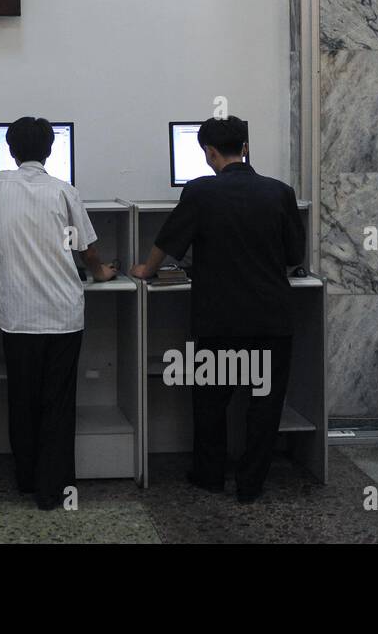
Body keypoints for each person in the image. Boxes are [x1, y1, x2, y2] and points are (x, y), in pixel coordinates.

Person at [131, 115, 305, 503]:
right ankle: (251, 485)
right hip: (270, 320)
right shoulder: (280, 192)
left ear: (209, 153)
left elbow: (169, 242)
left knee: (211, 401)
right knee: (264, 406)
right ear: (245, 148)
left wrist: (145, 270)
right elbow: (295, 257)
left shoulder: (200, 192)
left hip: (218, 320)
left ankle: (209, 476)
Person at [0, 117, 117, 510]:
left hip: (18, 316)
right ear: (50, 151)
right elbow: (87, 250)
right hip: (63, 315)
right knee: (58, 403)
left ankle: (26, 479)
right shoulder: (64, 191)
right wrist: (102, 273)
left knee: (22, 398)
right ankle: (54, 489)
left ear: (11, 151)